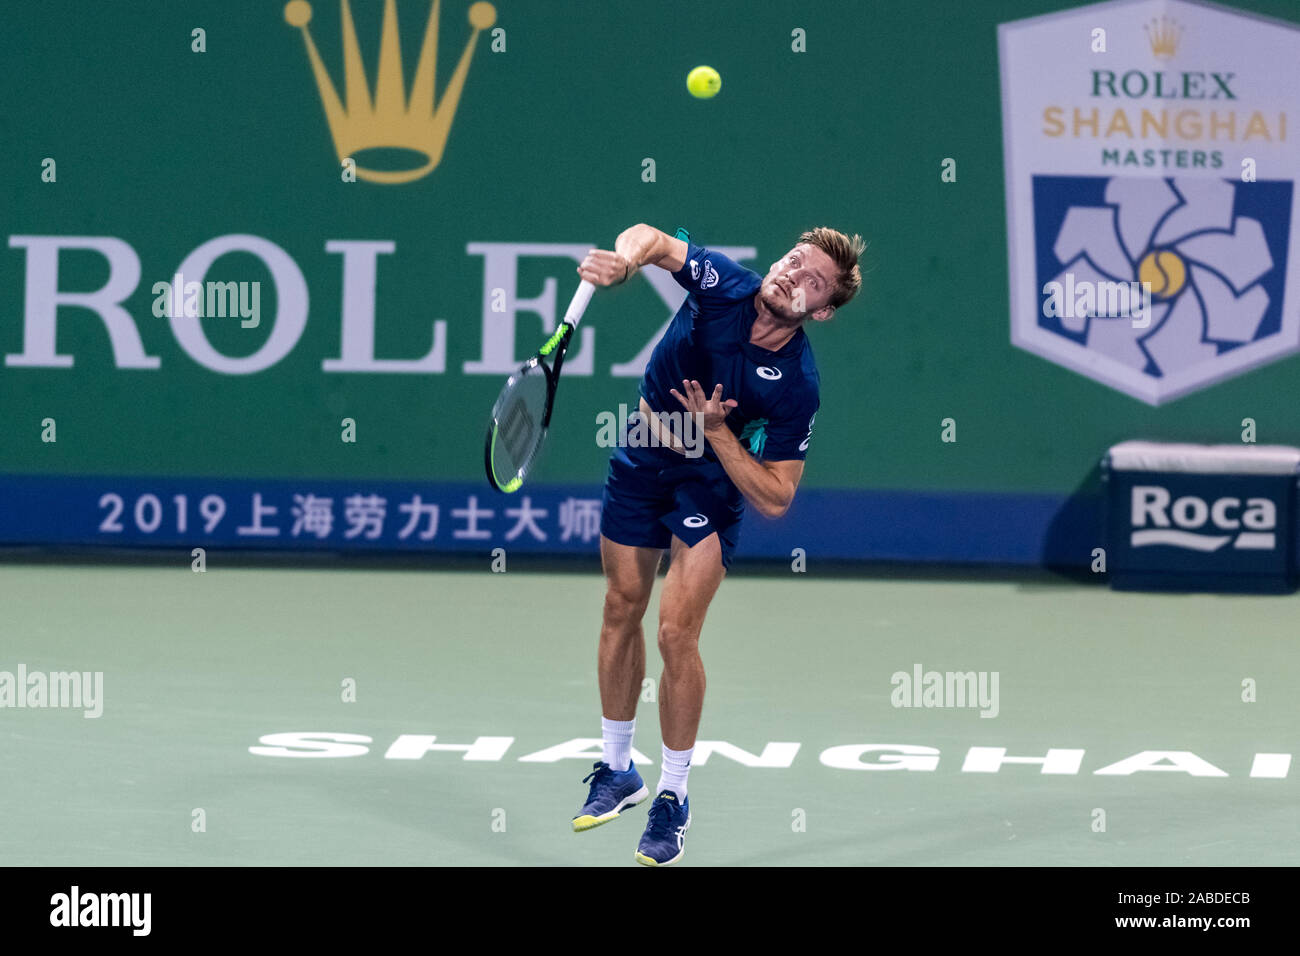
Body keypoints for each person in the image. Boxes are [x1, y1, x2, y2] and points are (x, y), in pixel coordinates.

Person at [570, 223, 865, 865]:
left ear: (824, 310)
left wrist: (717, 433)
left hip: (711, 484)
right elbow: (650, 237)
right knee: (622, 605)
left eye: (813, 280)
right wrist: (625, 265)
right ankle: (617, 769)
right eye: (793, 260)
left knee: (676, 632)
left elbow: (777, 498)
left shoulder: (797, 385)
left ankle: (672, 798)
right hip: (642, 456)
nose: (793, 275)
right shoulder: (724, 284)